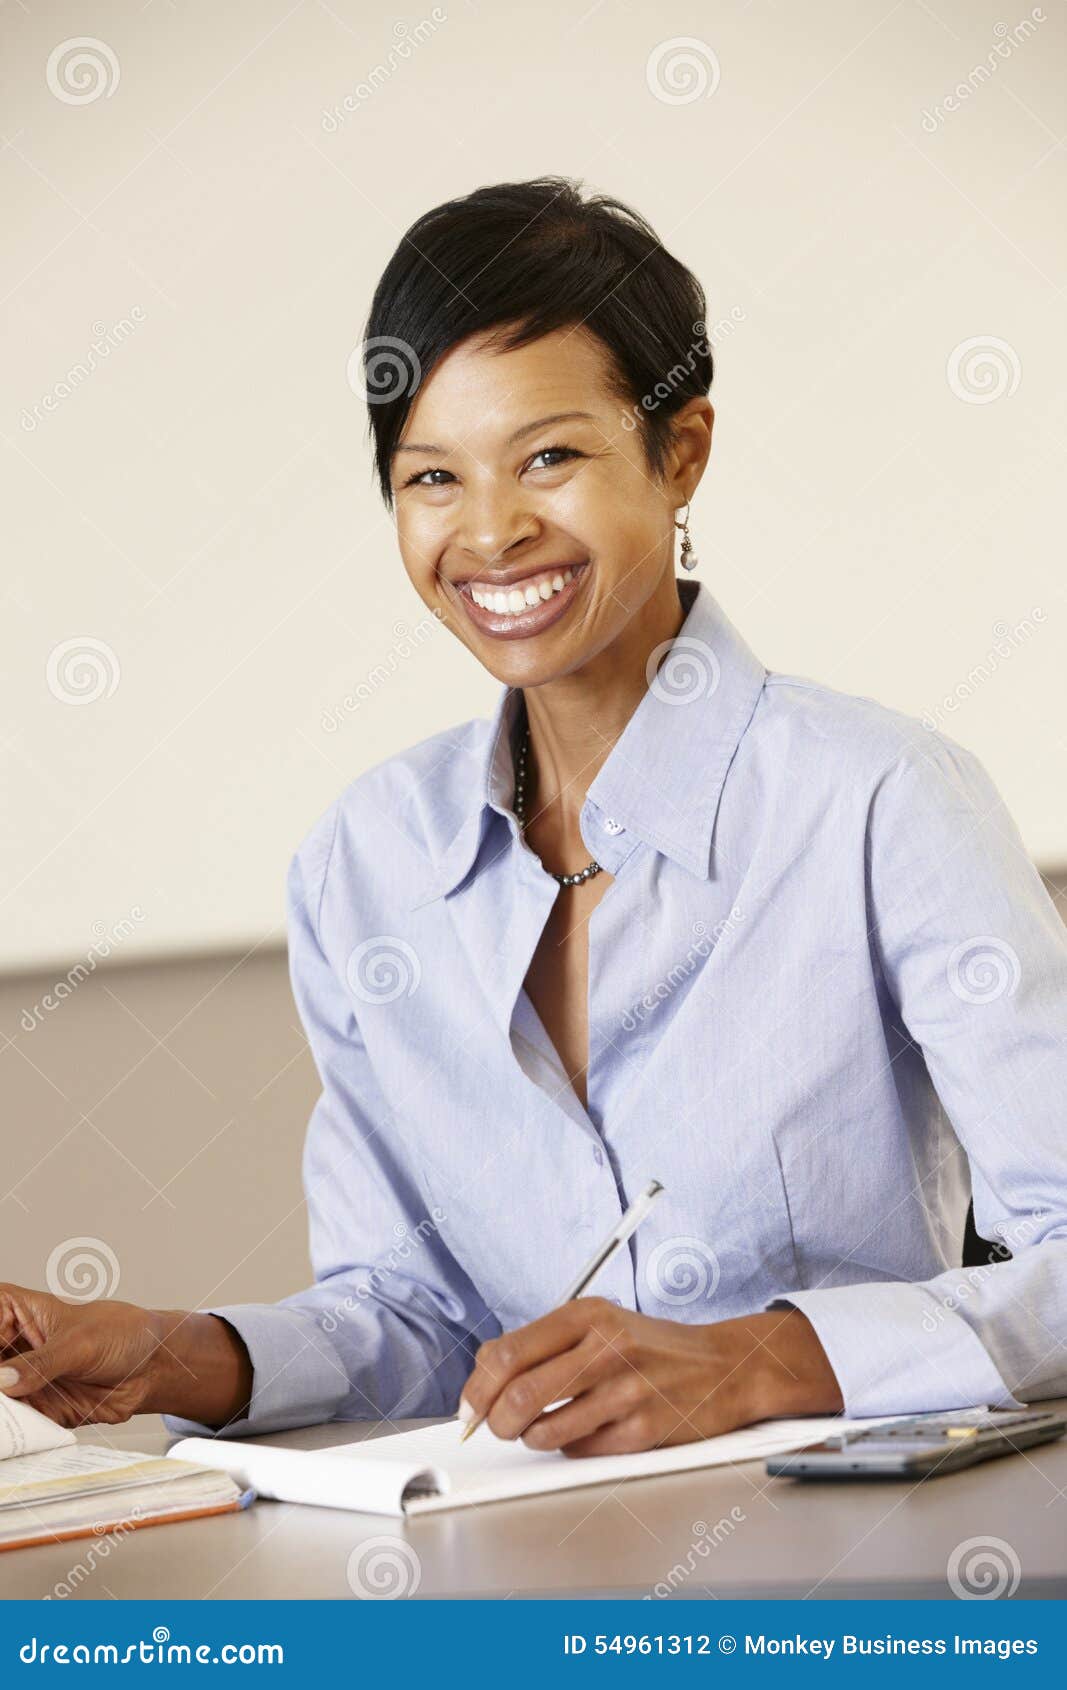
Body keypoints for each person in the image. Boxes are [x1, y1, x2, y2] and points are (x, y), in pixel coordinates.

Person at [3, 178, 1065, 1459]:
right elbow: (408, 1317)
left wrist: (756, 1359)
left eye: (548, 457)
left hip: (849, 1561)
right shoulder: (363, 864)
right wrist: (181, 1353)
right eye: (432, 476)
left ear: (681, 453)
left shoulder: (880, 798)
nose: (492, 531)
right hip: (521, 1569)